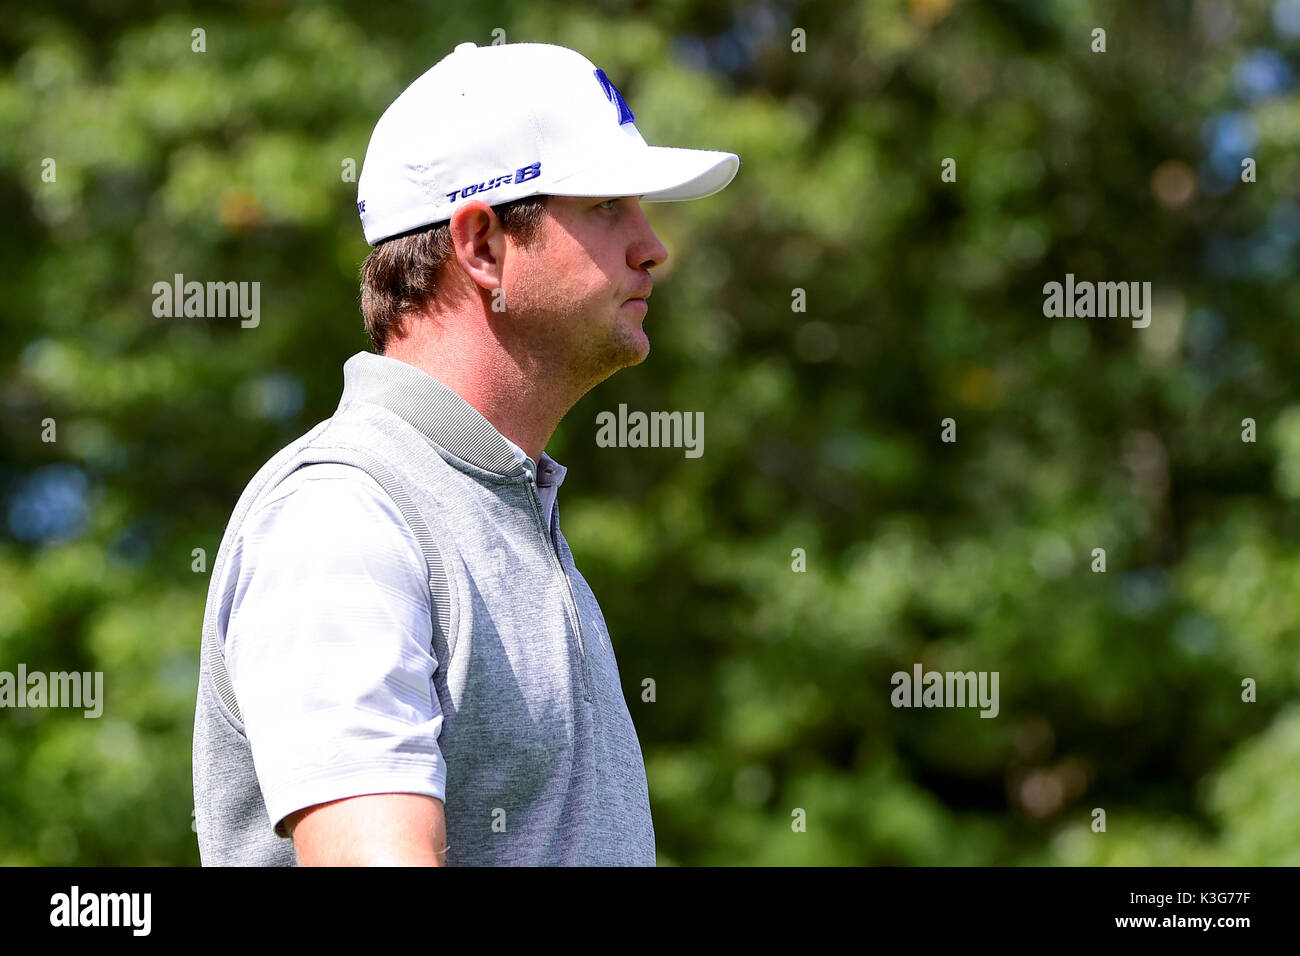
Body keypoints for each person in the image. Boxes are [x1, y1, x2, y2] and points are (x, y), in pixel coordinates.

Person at [192, 40, 739, 866]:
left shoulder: (505, 507)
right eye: (603, 207)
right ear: (481, 246)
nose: (652, 245)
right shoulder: (343, 516)